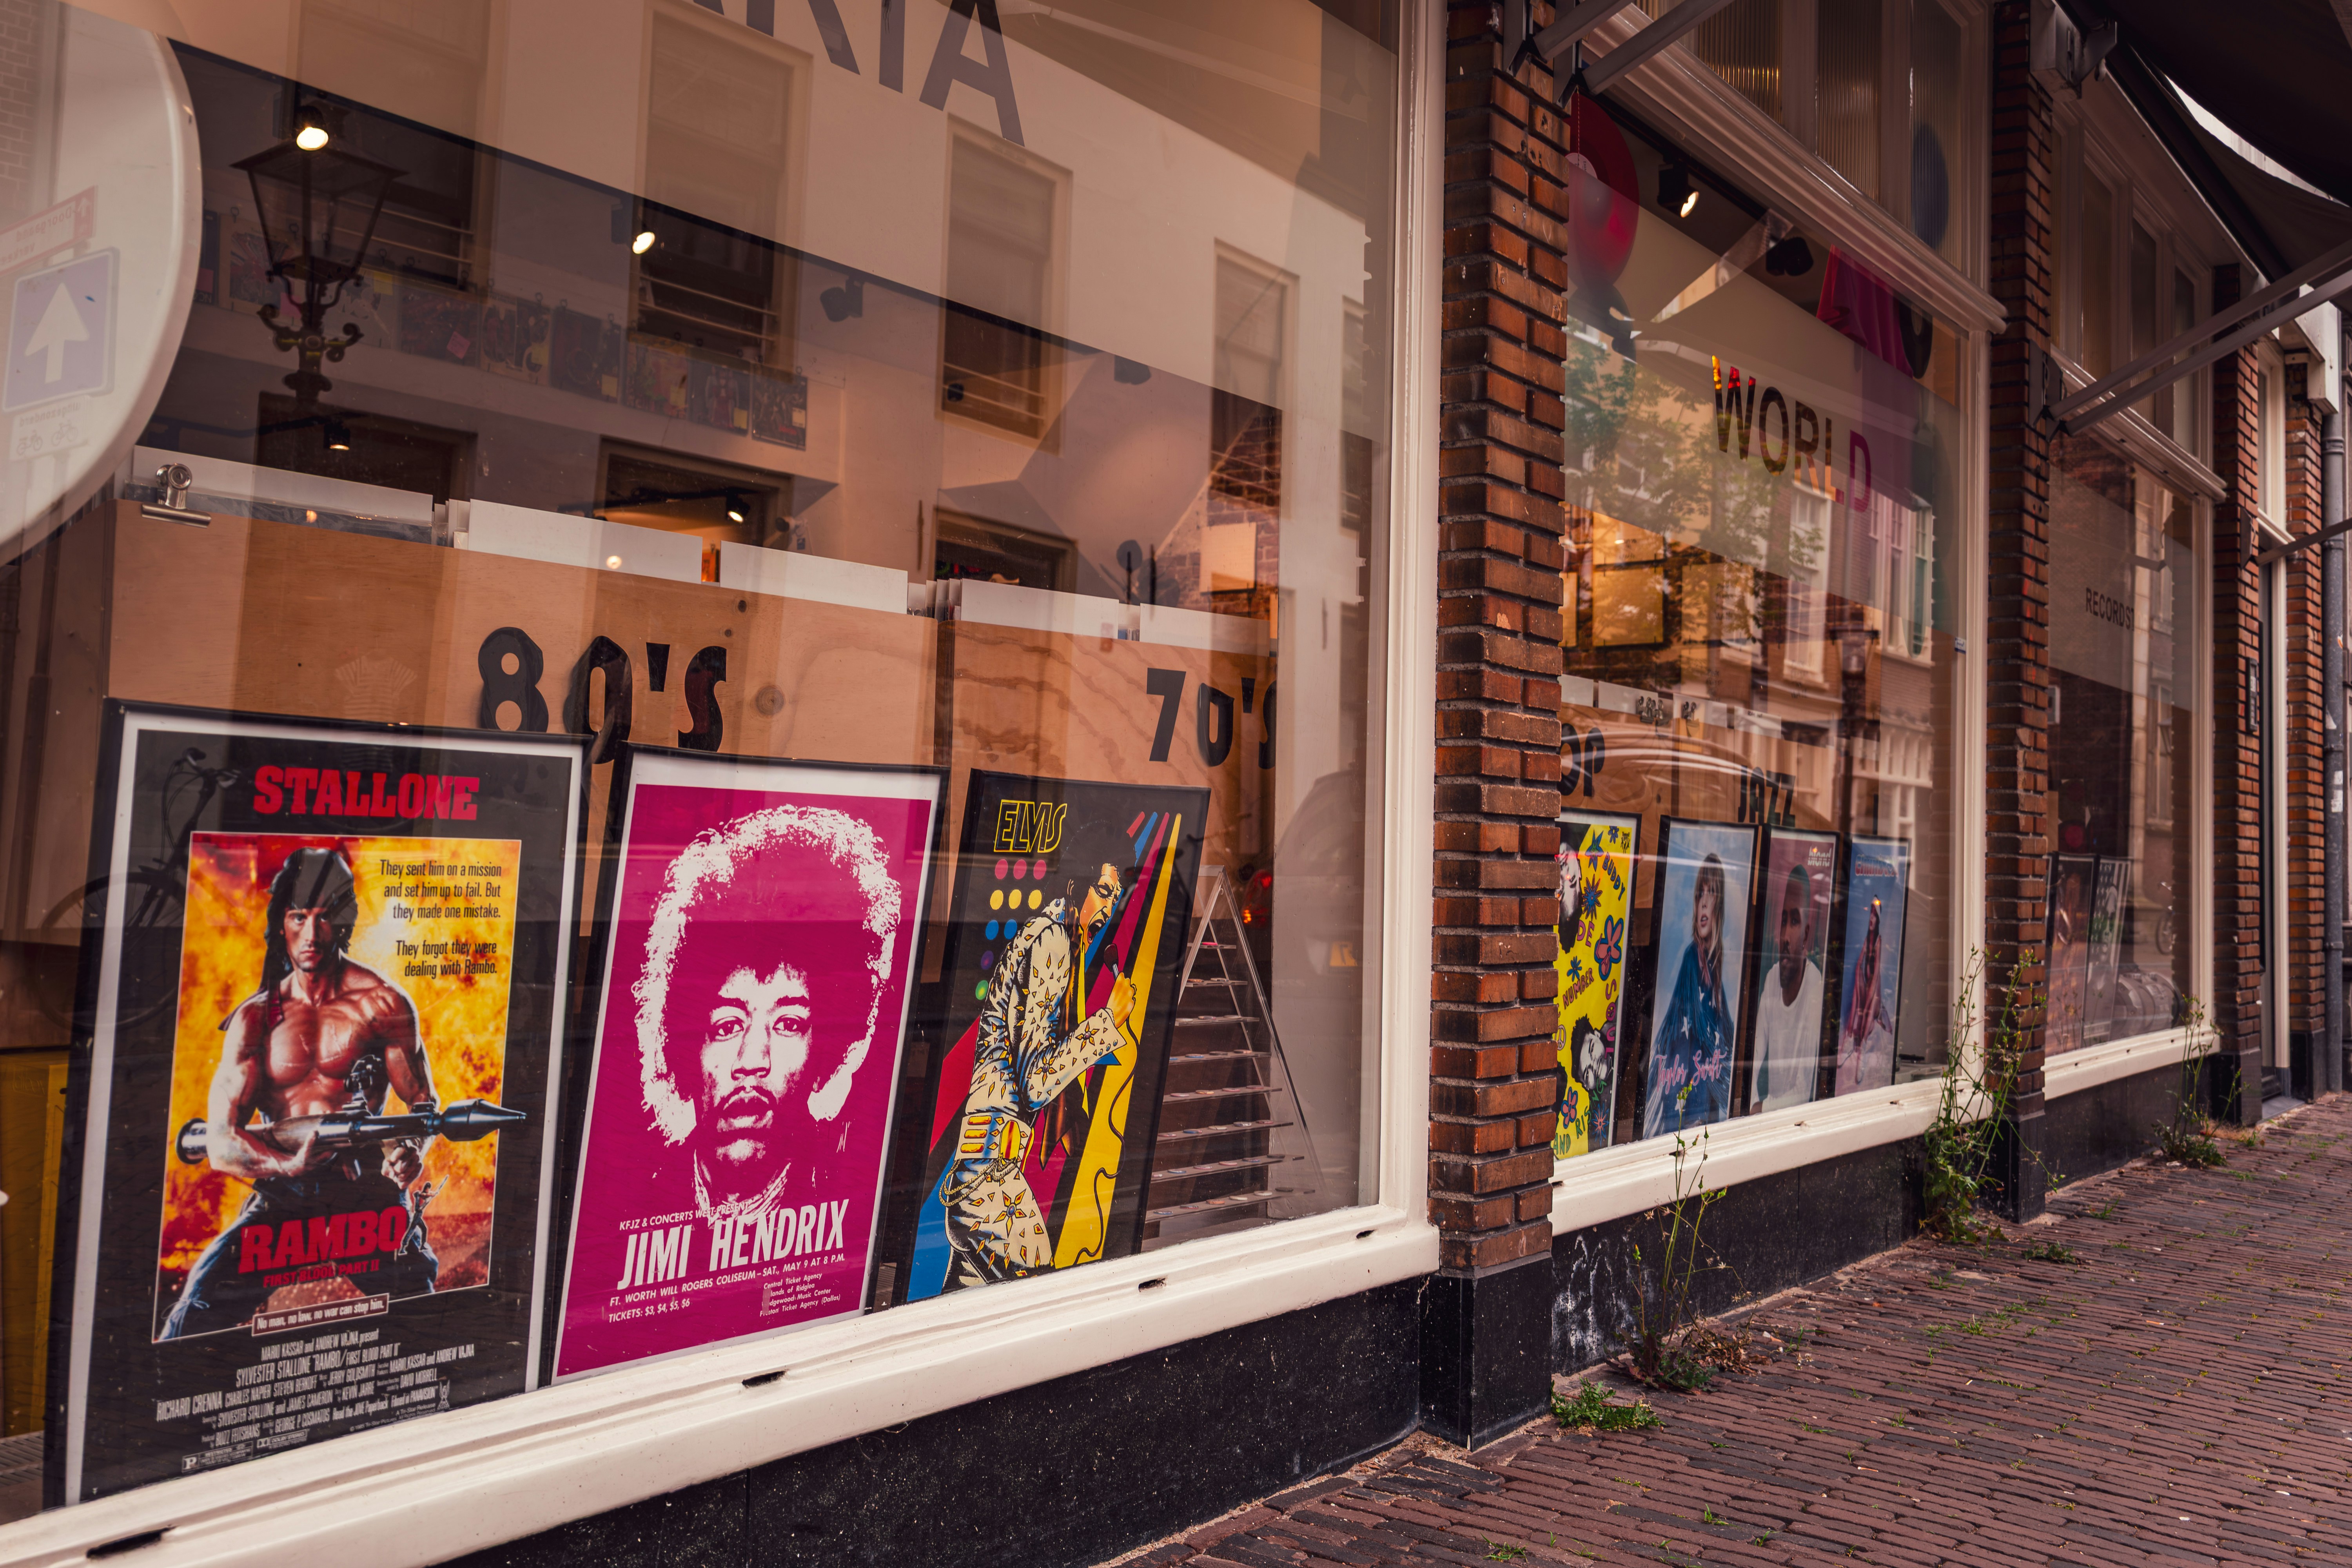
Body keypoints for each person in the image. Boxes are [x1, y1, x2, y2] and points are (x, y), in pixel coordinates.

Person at [161, 848, 440, 1338]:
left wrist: (413, 1151)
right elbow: (223, 1142)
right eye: (298, 917)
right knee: (194, 1317)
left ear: (344, 920)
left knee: (425, 1319)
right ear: (283, 922)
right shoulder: (255, 1019)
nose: (311, 934)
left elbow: (423, 1106)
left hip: (362, 1190)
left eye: (324, 916)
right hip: (283, 1191)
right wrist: (285, 1167)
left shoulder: (383, 1004)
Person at [633, 806, 902, 1226]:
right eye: (726, 1026)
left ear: (826, 1053)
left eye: (789, 1024)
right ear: (684, 1050)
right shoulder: (635, 1204)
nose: (753, 1060)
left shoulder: (848, 1207)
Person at [939, 842, 1140, 1288]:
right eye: (1104, 891)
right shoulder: (1052, 940)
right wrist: (1107, 1023)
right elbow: (1034, 1082)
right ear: (1076, 885)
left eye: (1116, 897)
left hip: (982, 1173)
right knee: (1043, 1302)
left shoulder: (1056, 937)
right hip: (990, 1179)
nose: (1108, 907)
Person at [1642, 853, 1735, 1139]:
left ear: (1719, 905)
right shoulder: (1691, 960)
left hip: (1700, 1104)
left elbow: (1724, 1032)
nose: (1704, 903)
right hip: (1686, 1103)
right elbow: (1690, 1040)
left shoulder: (1713, 965)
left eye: (1712, 894)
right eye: (1700, 895)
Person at [1749, 862, 1825, 1112]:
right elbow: (1752, 1057)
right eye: (1783, 921)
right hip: (1768, 1124)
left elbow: (1806, 1091)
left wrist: (1759, 1111)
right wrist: (1750, 1105)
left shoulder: (1816, 989)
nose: (1784, 936)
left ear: (1805, 936)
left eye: (1794, 921)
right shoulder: (1772, 980)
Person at [1835, 900, 1896, 1093]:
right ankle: (1850, 1038)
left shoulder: (1878, 942)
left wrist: (1867, 995)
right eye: (1869, 914)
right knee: (1857, 988)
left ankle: (1861, 1046)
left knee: (1868, 1002)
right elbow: (1860, 962)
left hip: (1874, 997)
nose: (1870, 918)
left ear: (1878, 920)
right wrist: (1858, 980)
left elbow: (1876, 975)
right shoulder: (1866, 940)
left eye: (1874, 915)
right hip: (1863, 993)